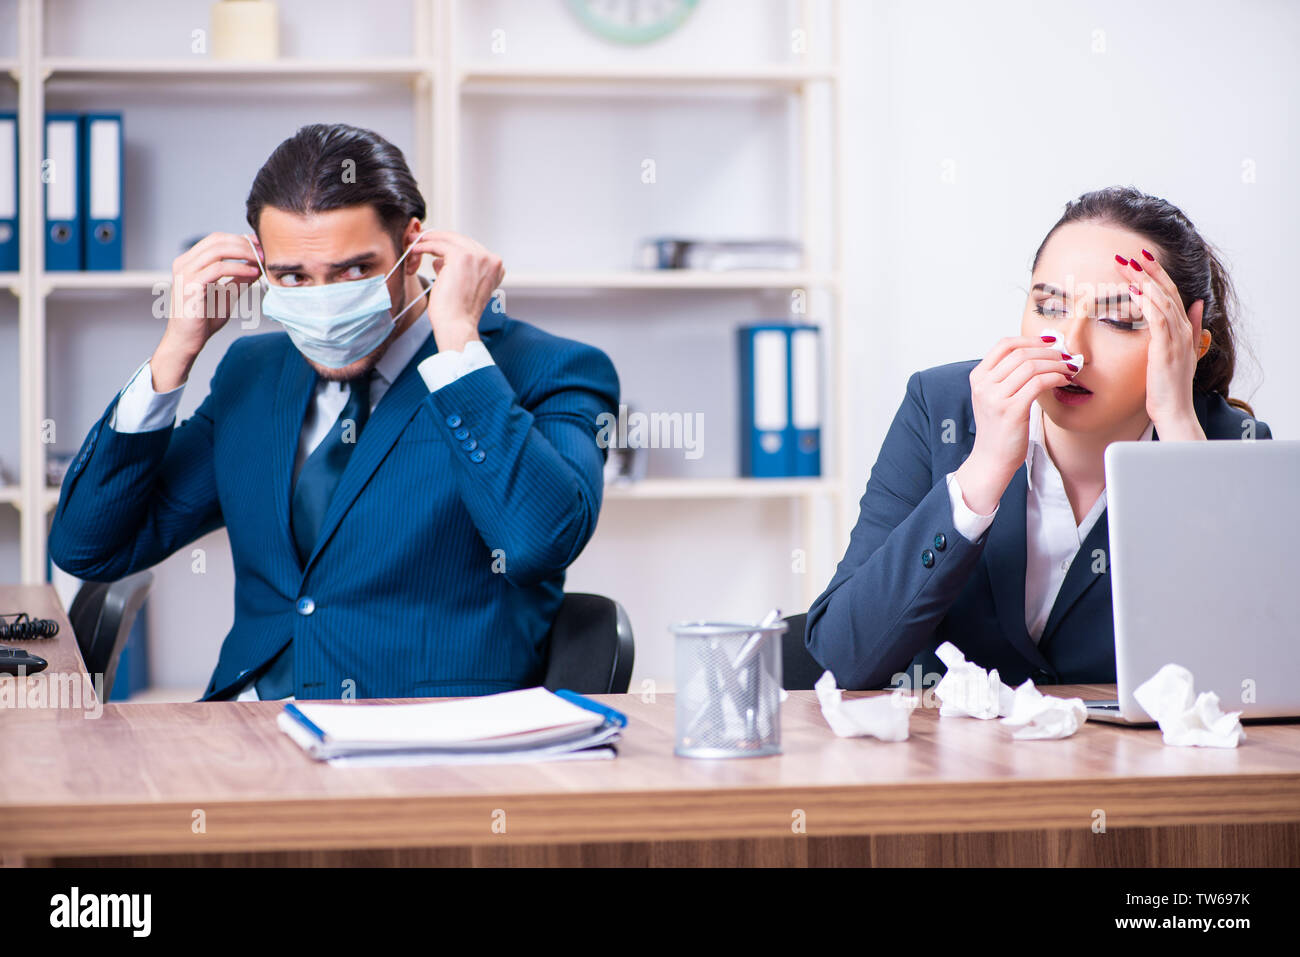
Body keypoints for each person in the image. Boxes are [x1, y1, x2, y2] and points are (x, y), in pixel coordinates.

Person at [48, 123, 620, 701]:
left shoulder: (549, 369)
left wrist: (461, 348)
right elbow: (91, 547)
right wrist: (175, 351)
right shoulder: (255, 372)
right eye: (293, 276)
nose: (323, 299)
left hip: (425, 748)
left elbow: (536, 544)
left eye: (353, 270)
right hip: (248, 732)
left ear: (412, 245)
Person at [806, 186, 1272, 690]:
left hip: (1133, 766)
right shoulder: (941, 407)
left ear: (1190, 340)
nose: (1071, 349)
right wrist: (980, 476)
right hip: (953, 761)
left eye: (1119, 320)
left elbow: (1257, 672)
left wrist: (1179, 430)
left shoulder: (1230, 446)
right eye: (1050, 308)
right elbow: (843, 658)